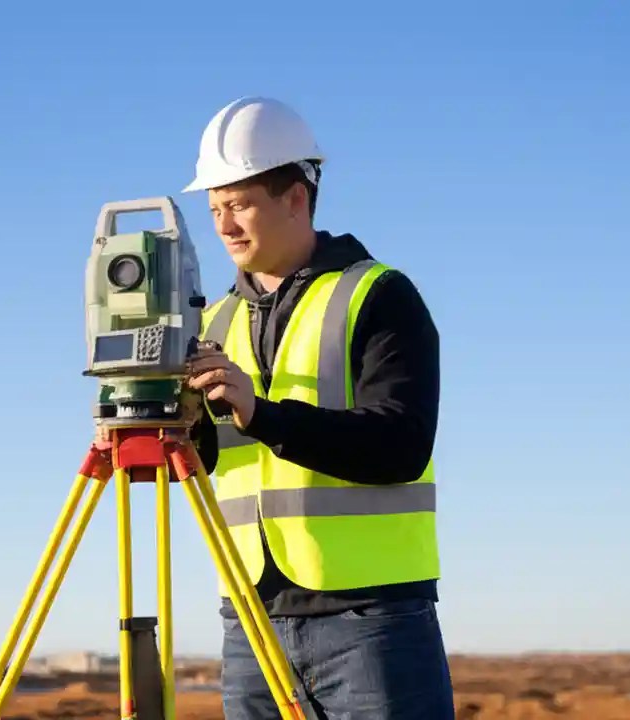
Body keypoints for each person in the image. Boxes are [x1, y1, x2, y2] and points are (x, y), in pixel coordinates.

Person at [179, 97, 456, 720]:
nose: (223, 226)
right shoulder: (213, 320)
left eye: (240, 203)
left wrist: (265, 414)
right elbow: (216, 465)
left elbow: (401, 445)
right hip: (251, 618)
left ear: (296, 198)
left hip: (371, 619)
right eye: (216, 207)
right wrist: (177, 426)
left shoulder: (378, 295)